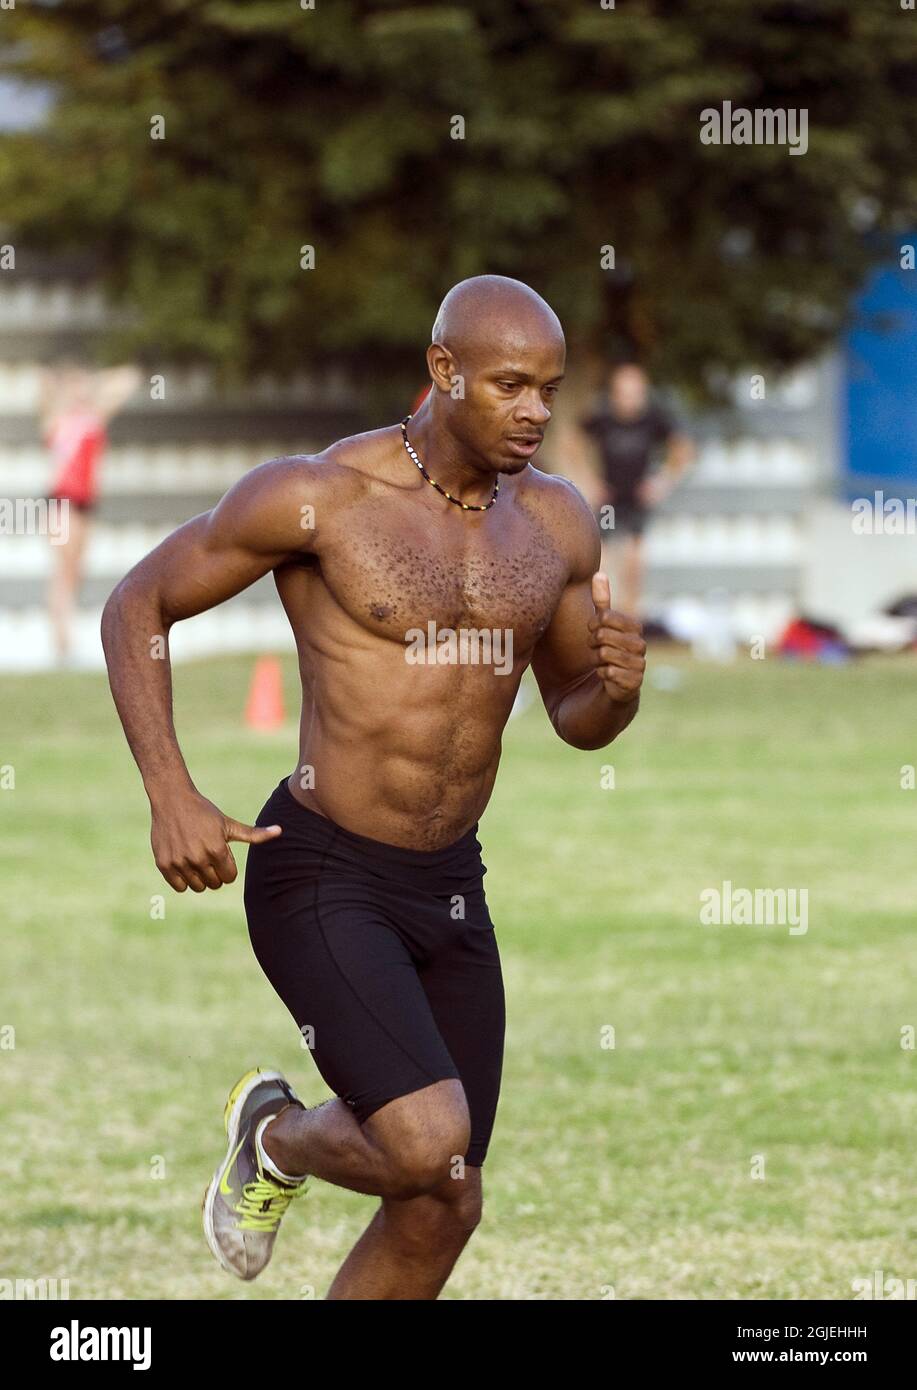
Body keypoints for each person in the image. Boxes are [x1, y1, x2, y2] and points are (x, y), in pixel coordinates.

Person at [101, 275, 646, 1300]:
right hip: (321, 866)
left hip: (448, 882)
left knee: (444, 1193)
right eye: (509, 385)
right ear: (443, 372)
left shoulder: (557, 523)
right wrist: (170, 791)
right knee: (421, 1141)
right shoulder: (322, 497)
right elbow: (139, 602)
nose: (534, 411)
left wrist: (615, 691)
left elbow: (577, 713)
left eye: (548, 389)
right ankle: (275, 1136)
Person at [40, 362, 141, 664]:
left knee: (77, 572)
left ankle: (66, 637)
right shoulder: (57, 419)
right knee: (64, 572)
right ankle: (62, 642)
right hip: (63, 503)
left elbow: (130, 378)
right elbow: (44, 382)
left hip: (86, 505)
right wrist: (67, 385)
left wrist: (93, 381)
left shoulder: (93, 418)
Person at [577, 362, 693, 615]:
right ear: (614, 393)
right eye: (624, 393)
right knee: (602, 560)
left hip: (637, 499)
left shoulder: (653, 418)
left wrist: (662, 481)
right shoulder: (602, 417)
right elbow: (572, 441)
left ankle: (630, 617)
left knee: (634, 560)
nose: (629, 400)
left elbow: (683, 449)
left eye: (635, 393)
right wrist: (589, 480)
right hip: (609, 498)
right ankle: (600, 615)